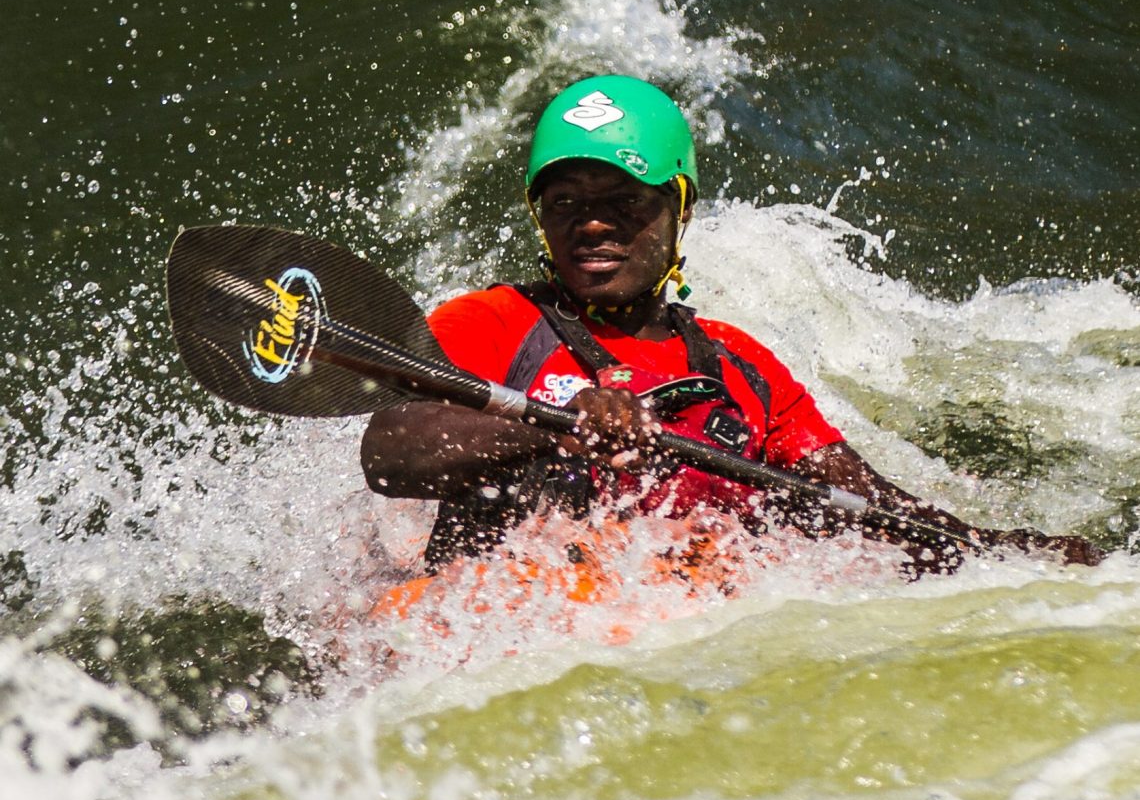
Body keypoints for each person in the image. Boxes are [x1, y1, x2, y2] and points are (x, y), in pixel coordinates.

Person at [361, 75, 1103, 580]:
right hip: (513, 630)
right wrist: (557, 428)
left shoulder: (740, 368)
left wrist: (1002, 553)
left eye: (623, 198)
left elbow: (870, 507)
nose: (590, 222)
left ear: (679, 207)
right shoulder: (493, 324)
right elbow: (391, 452)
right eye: (564, 203)